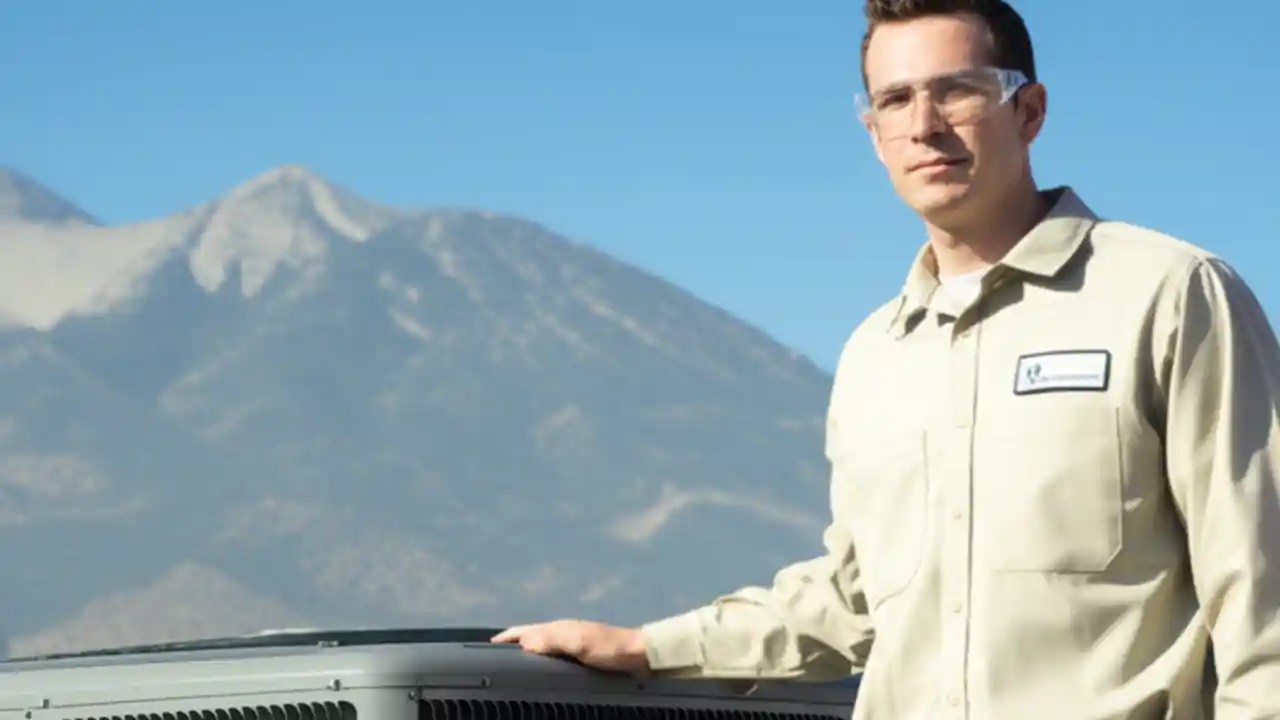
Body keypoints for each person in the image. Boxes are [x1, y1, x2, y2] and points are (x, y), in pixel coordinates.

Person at [492, 0, 1280, 717]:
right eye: (896, 100)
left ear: (1029, 110)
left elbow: (1263, 589)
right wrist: (644, 647)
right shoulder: (876, 355)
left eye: (958, 91)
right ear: (873, 135)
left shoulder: (1171, 296)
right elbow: (853, 600)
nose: (925, 124)